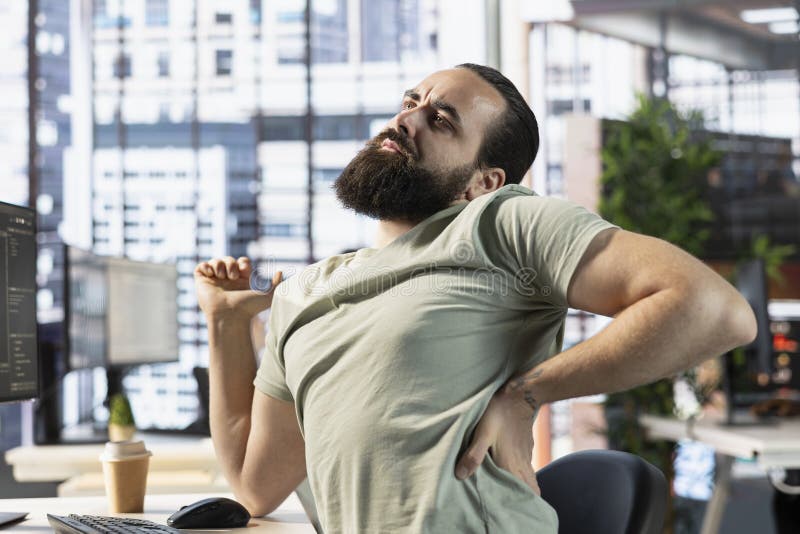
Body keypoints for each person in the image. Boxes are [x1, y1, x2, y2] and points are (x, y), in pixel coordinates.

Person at [194, 64, 757, 533]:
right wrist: (223, 323)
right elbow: (254, 485)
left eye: (440, 120)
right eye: (411, 102)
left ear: (484, 181)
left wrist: (527, 395)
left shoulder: (502, 221)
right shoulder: (305, 292)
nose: (406, 119)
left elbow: (713, 309)